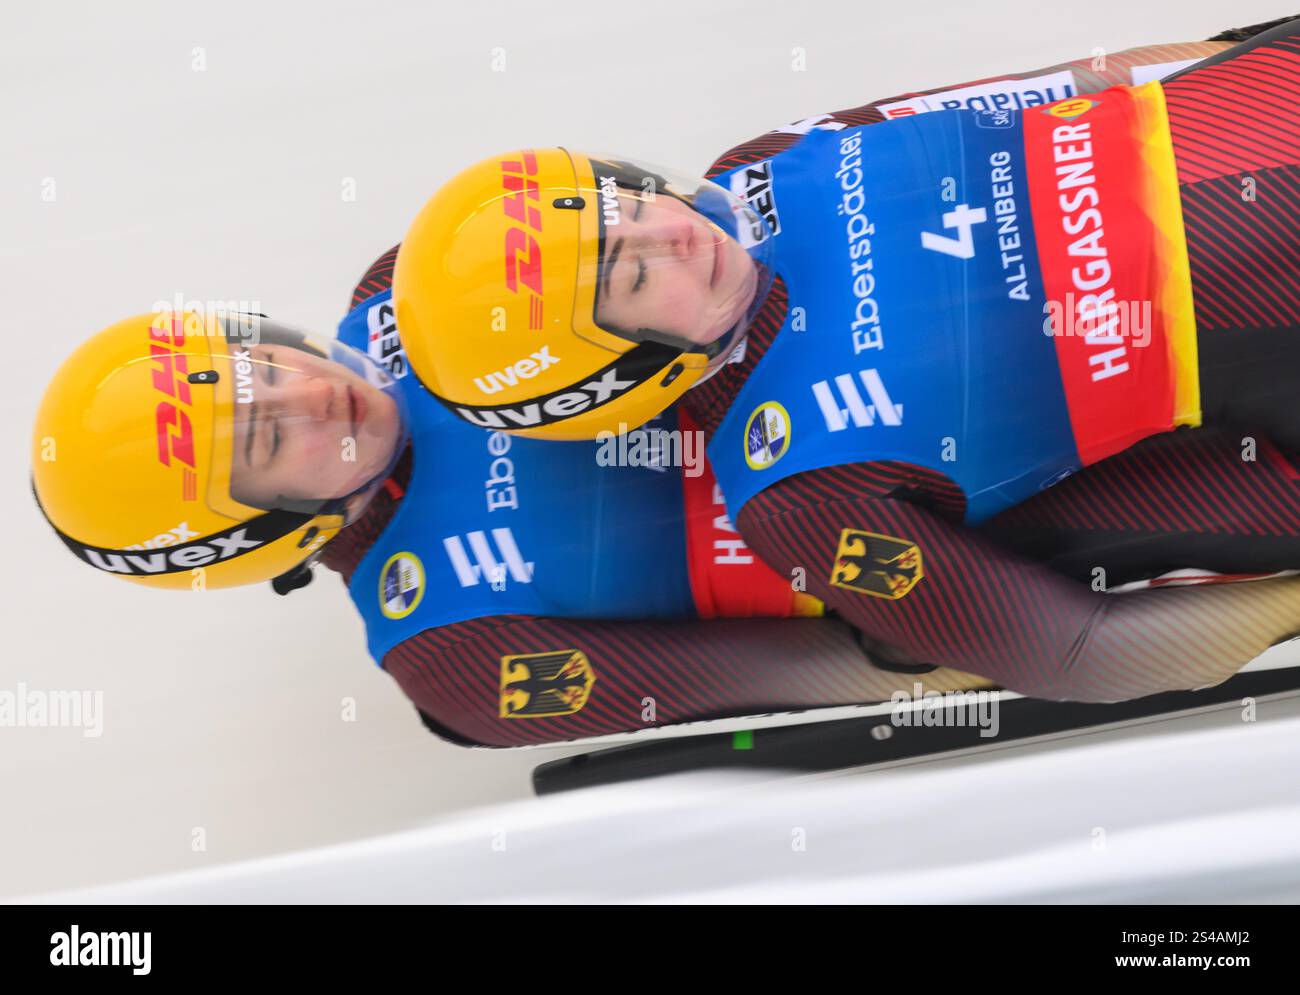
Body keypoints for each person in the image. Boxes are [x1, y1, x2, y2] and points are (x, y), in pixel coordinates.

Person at [393, 16, 1300, 703]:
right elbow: (1075, 650)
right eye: (634, 274)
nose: (673, 232)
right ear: (616, 377)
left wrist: (1245, 41)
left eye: (627, 207)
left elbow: (1060, 86)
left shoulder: (761, 162)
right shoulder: (796, 492)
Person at [33, 278, 998, 748]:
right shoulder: (457, 652)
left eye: (265, 371)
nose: (312, 395)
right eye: (267, 442)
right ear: (258, 531)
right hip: (965, 513)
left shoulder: (405, 287)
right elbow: (850, 673)